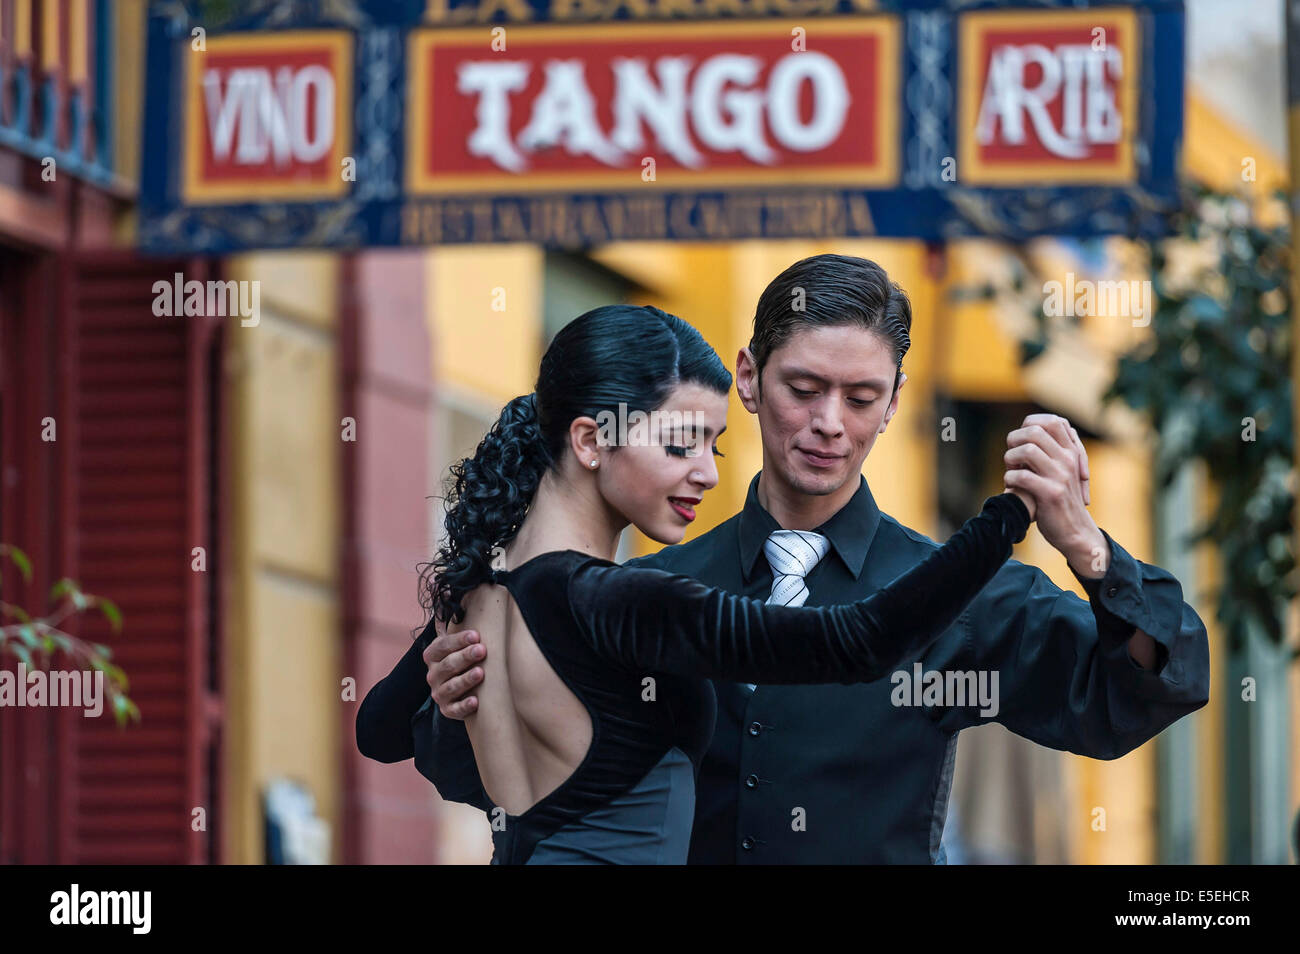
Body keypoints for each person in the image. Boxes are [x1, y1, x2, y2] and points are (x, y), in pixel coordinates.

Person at [414, 254, 1211, 864]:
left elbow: (1140, 688)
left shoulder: (959, 596)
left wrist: (1089, 549)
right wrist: (460, 708)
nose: (830, 422)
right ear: (750, 380)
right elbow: (512, 785)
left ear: (895, 402)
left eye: (861, 398)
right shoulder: (650, 589)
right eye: (804, 388)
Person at [355, 302, 1035, 865]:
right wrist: (1008, 517)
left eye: (712, 446)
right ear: (592, 441)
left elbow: (379, 732)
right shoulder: (620, 599)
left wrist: (451, 705)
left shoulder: (480, 590)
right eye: (680, 443)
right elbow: (858, 639)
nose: (708, 473)